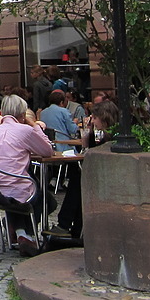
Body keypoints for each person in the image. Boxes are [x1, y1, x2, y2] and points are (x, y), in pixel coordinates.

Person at [0, 95, 54, 257]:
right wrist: (34, 124)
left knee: (20, 184)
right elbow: (48, 151)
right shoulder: (24, 130)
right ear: (22, 114)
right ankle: (26, 235)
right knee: (45, 199)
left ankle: (19, 231)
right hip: (15, 190)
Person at [53, 99, 119, 240]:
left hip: (102, 177)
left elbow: (90, 152)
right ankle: (72, 227)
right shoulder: (98, 134)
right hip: (95, 174)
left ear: (104, 118)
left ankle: (66, 224)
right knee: (76, 178)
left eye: (95, 118)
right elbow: (85, 148)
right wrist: (87, 132)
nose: (93, 121)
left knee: (77, 181)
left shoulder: (107, 136)